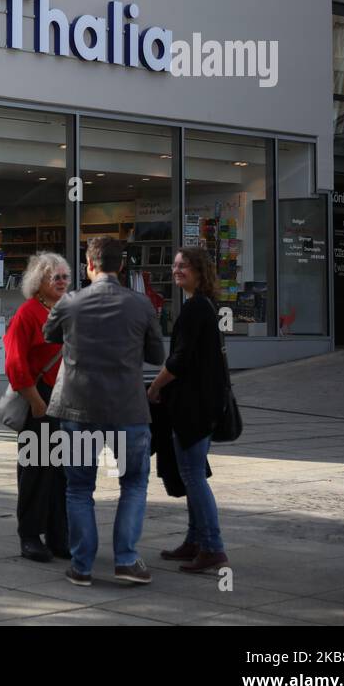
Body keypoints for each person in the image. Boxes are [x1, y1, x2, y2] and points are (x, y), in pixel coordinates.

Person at [43, 236, 165, 587]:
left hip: (79, 409)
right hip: (127, 408)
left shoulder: (70, 302)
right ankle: (126, 559)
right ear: (121, 266)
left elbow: (49, 333)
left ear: (89, 265)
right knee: (133, 484)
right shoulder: (141, 305)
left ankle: (81, 566)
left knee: (79, 489)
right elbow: (157, 356)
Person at [146, 246, 230, 574]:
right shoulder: (204, 306)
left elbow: (179, 361)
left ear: (199, 270)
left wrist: (155, 386)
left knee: (194, 475)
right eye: (175, 264)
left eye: (184, 265)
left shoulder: (196, 308)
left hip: (195, 407)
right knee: (193, 472)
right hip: (203, 404)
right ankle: (196, 540)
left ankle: (213, 547)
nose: (176, 270)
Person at [4, 253, 71, 562]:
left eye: (64, 276)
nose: (61, 281)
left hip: (66, 399)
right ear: (38, 282)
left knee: (61, 472)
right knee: (35, 470)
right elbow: (15, 363)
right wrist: (36, 402)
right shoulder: (28, 314)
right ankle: (30, 535)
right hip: (39, 398)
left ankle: (59, 536)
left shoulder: (67, 311)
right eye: (54, 277)